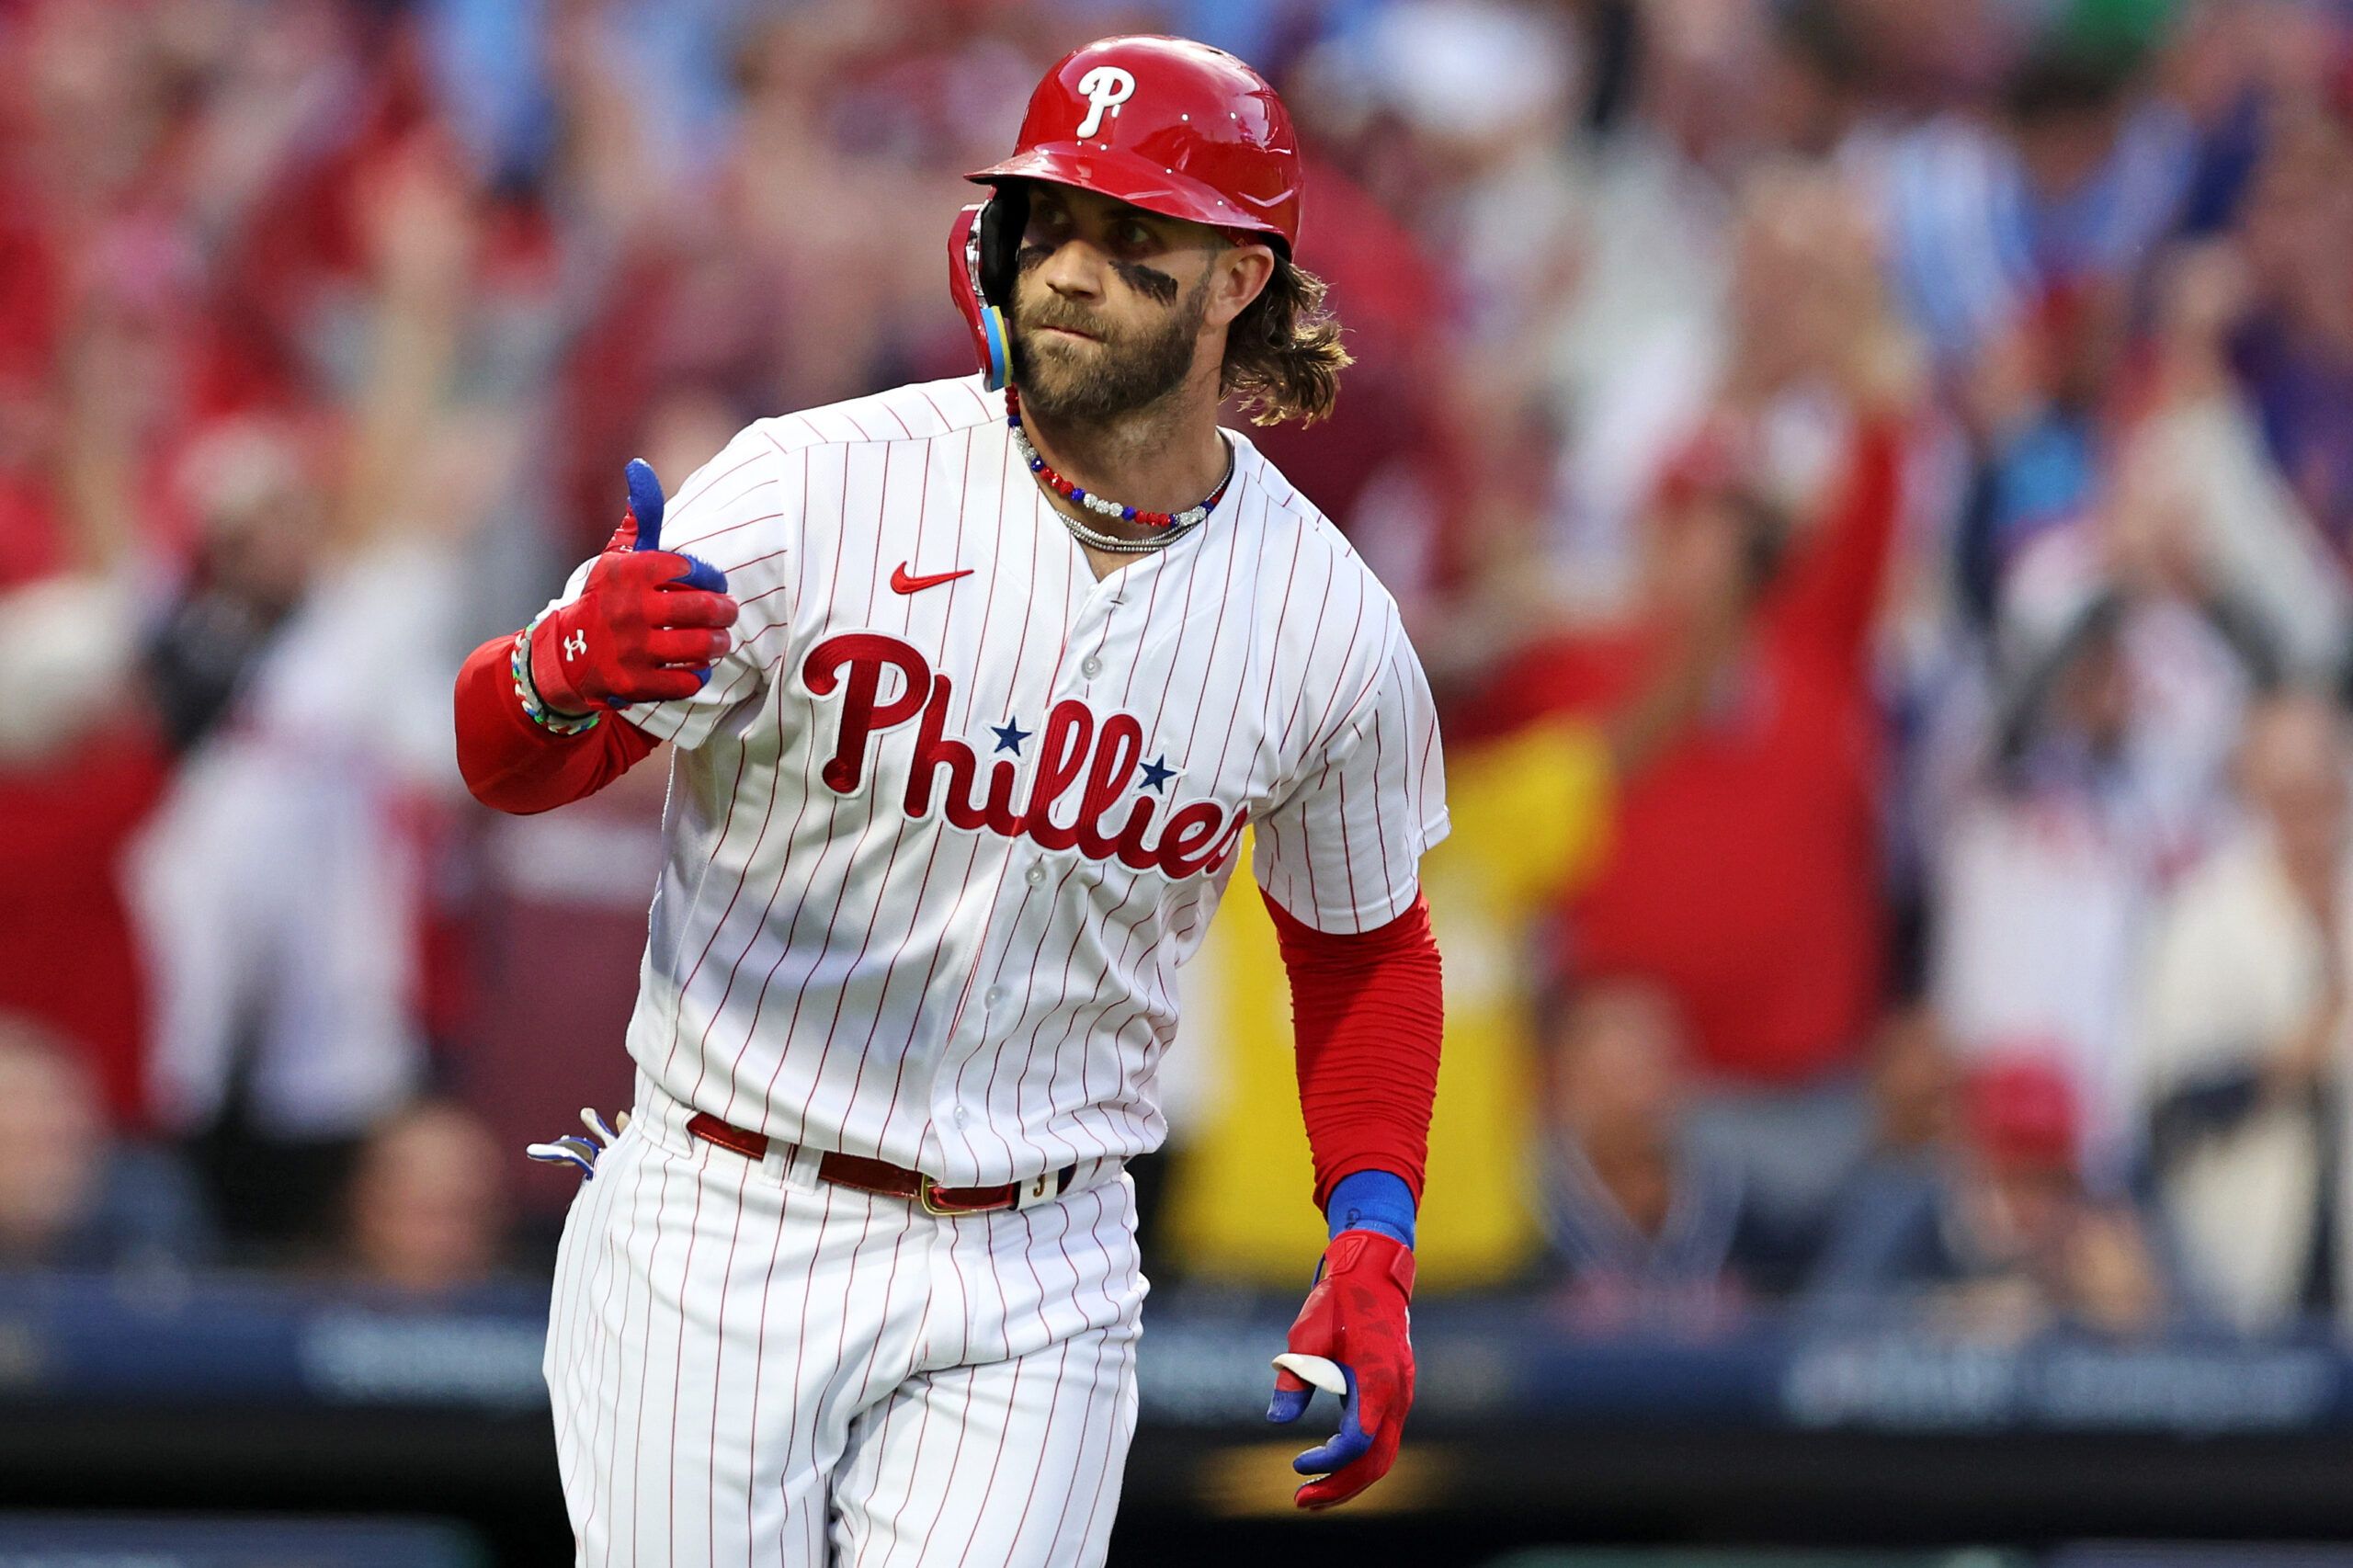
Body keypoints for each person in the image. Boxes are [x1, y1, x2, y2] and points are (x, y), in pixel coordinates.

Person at [450, 38, 1448, 1565]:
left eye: (1135, 238)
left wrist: (1372, 1231)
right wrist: (561, 663)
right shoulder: (809, 486)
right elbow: (509, 760)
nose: (1069, 267)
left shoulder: (1324, 618)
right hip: (727, 1207)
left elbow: (1363, 945)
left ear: (1240, 277)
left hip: (1039, 1259)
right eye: (1049, 220)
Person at [2137, 691, 2353, 1332]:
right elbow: (2171, 1106)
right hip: (2243, 1253)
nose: (2309, 811)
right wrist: (2289, 1058)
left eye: (2323, 788)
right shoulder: (2204, 916)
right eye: (2288, 793)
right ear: (2252, 792)